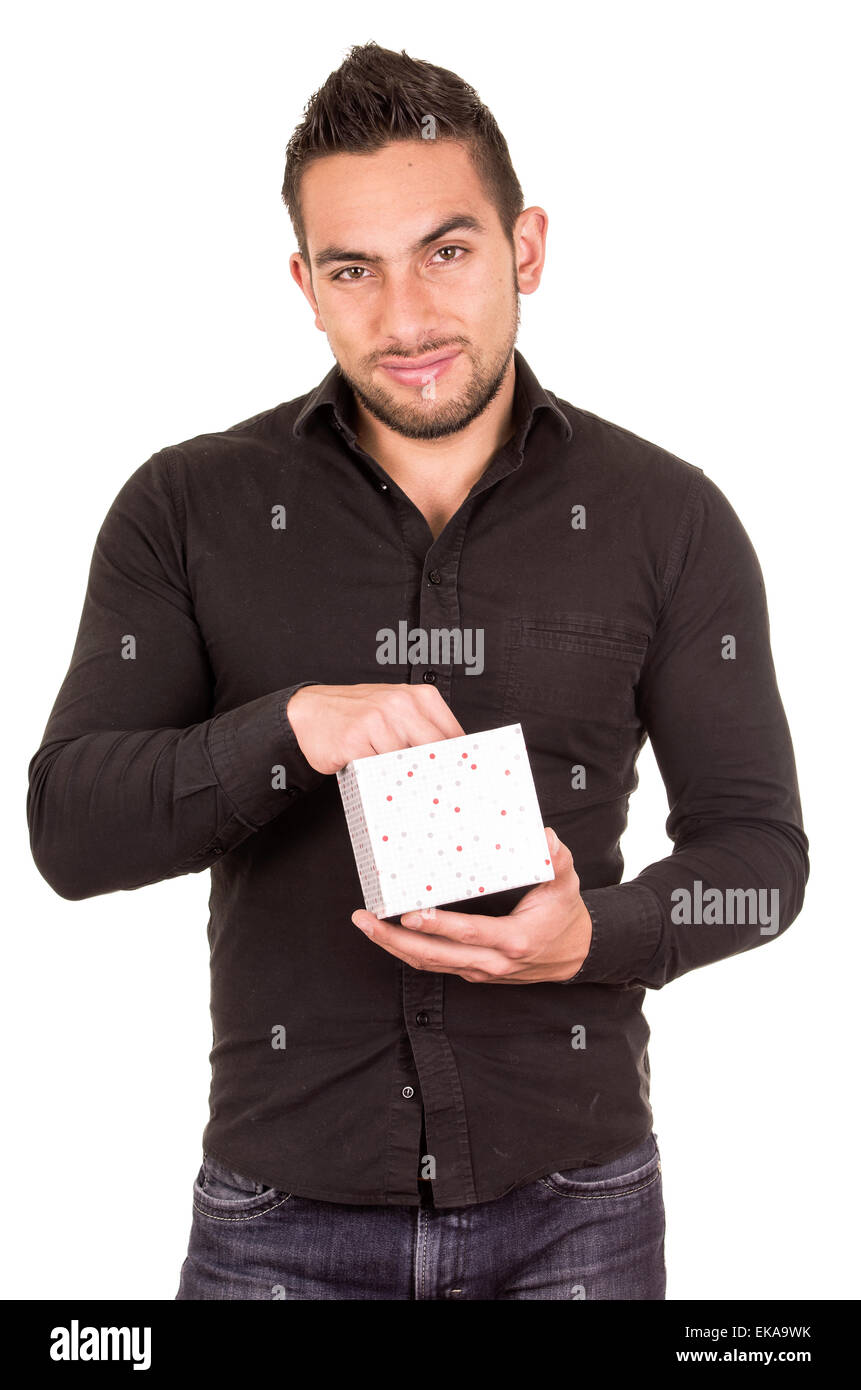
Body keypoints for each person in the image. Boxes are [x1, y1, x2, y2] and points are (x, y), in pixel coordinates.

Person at [26, 41, 808, 1301]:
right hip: (279, 1220)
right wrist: (290, 727)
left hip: (580, 1213)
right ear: (306, 284)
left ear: (527, 249)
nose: (404, 319)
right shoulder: (187, 507)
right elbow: (71, 827)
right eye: (354, 269)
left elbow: (763, 861)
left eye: (447, 251)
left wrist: (591, 936)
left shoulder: (669, 518)